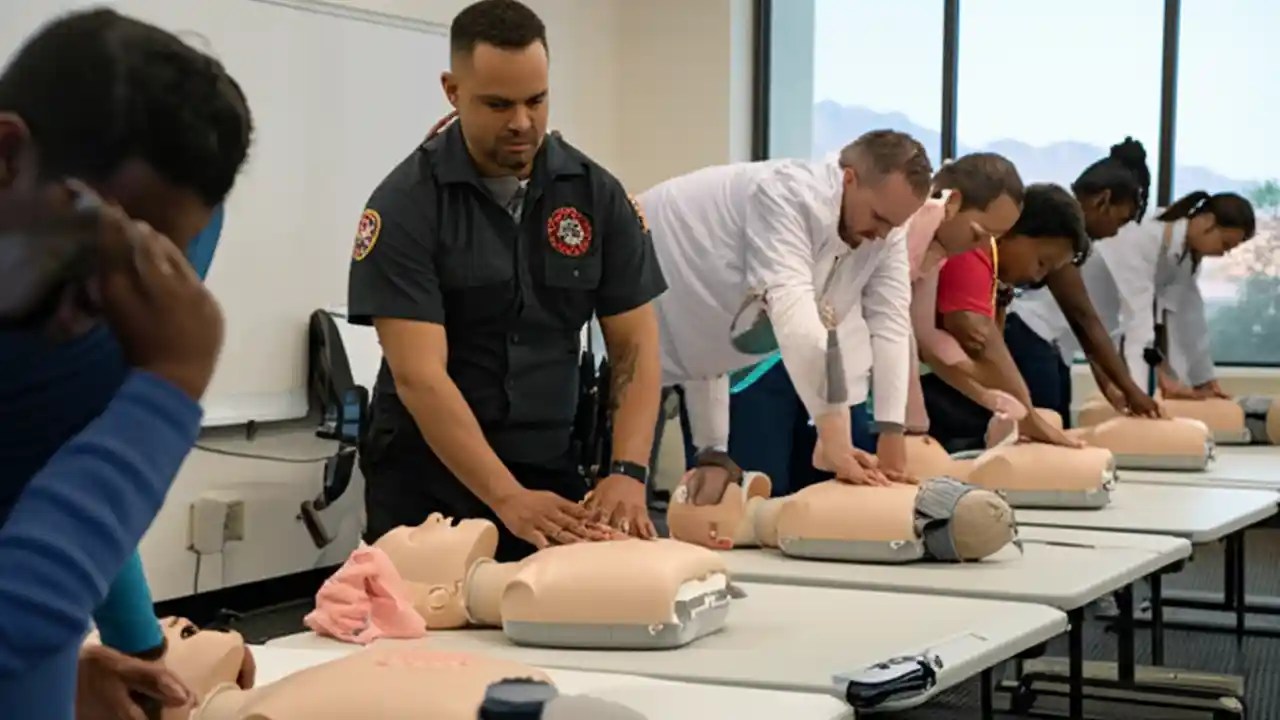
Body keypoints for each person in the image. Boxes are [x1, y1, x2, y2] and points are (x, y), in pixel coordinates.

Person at [0, 9, 252, 719]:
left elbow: (69, 466)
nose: (112, 309)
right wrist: (169, 389)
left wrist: (130, 655)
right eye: (99, 247)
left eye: (157, 258)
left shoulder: (138, 249)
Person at [348, 0, 666, 562]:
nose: (521, 122)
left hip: (550, 469)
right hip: (429, 482)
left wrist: (627, 472)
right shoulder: (406, 205)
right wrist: (505, 497)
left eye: (535, 100)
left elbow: (634, 343)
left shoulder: (595, 195)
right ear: (452, 91)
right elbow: (421, 378)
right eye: (497, 104)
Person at [642, 130, 933, 494]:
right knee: (615, 483)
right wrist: (834, 439)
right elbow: (796, 317)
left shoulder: (886, 228)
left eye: (895, 225)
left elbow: (890, 323)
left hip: (706, 345)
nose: (882, 234)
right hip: (633, 318)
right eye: (879, 218)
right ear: (849, 179)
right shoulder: (786, 194)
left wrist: (891, 433)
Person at [919, 183, 1093, 450]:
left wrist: (1005, 403)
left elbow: (976, 351)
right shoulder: (972, 247)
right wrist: (1029, 417)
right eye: (1041, 262)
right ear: (1012, 231)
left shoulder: (996, 274)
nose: (1036, 277)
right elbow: (975, 335)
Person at [1005, 139, 1164, 423]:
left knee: (1058, 426)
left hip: (1049, 347)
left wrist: (1113, 386)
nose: (1116, 232)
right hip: (1028, 337)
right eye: (1121, 219)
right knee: (1046, 430)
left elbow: (1091, 333)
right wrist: (1131, 390)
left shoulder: (1081, 249)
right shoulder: (1058, 228)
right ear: (1103, 200)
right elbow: (1084, 319)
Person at [1081, 190, 1256, 400]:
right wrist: (1139, 394)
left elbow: (1190, 320)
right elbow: (1137, 323)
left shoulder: (1186, 257)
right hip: (1055, 322)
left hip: (1091, 328)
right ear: (1207, 221)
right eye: (1225, 244)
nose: (1222, 253)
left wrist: (1204, 380)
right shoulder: (1144, 236)